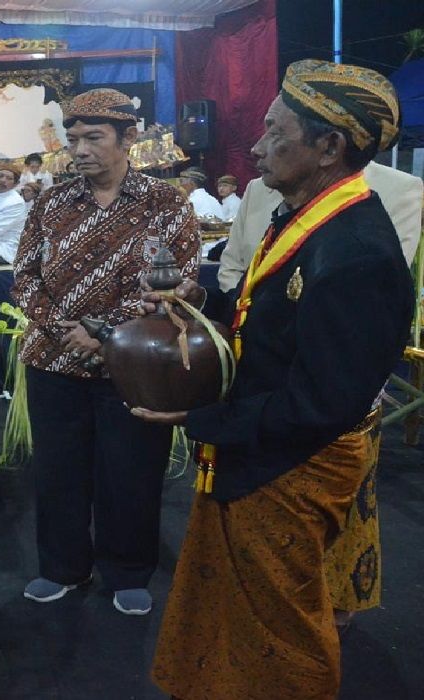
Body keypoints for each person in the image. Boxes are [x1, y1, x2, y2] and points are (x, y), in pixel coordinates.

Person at [134, 60, 414, 699]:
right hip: (261, 452)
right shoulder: (305, 216)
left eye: (273, 130)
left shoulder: (357, 252)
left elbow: (323, 402)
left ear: (329, 147)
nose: (255, 146)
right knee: (241, 614)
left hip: (289, 464)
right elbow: (268, 327)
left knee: (284, 628)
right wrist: (197, 312)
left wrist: (197, 418)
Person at [11, 88, 199, 616]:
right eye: (73, 139)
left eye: (93, 137)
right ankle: (62, 567)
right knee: (58, 472)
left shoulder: (167, 204)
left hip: (134, 366)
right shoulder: (50, 203)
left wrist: (105, 333)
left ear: (129, 138)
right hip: (53, 362)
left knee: (131, 471)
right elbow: (23, 279)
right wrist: (60, 328)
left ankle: (128, 570)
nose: (80, 149)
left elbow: (178, 284)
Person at [218, 163, 423, 293]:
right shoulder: (259, 188)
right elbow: (232, 265)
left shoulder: (400, 189)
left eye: (278, 131)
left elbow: (378, 287)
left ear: (331, 142)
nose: (259, 148)